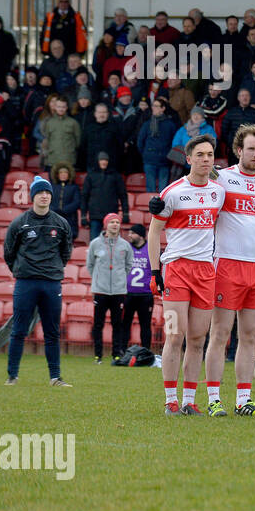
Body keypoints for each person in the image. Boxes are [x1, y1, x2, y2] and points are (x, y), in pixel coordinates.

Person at [198, 126, 255, 416]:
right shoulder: (222, 178)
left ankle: (244, 400)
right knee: (219, 334)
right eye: (251, 149)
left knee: (250, 335)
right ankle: (214, 398)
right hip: (227, 264)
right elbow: (194, 177)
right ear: (238, 150)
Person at [148, 142, 225, 396]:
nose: (206, 159)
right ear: (189, 159)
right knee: (174, 335)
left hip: (205, 272)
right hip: (177, 270)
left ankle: (189, 401)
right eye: (200, 155)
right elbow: (154, 231)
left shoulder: (219, 191)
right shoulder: (172, 192)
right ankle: (170, 400)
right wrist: (155, 271)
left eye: (210, 155)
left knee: (197, 339)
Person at [3, 177, 72, 386]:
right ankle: (12, 376)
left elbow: (66, 252)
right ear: (33, 196)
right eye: (41, 193)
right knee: (19, 330)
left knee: (52, 332)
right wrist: (22, 270)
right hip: (26, 283)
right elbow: (9, 252)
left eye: (48, 193)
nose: (44, 196)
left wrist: (52, 268)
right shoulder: (19, 222)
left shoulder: (61, 223)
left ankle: (55, 378)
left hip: (51, 283)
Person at [86, 212, 133, 362]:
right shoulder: (95, 243)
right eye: (112, 222)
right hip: (100, 291)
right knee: (98, 324)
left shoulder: (125, 245)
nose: (114, 225)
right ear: (106, 224)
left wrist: (119, 279)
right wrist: (99, 279)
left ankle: (116, 354)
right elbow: (90, 265)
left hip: (118, 291)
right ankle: (98, 355)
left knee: (117, 324)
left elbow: (128, 266)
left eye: (117, 222)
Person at [80, 152, 128, 241]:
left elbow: (123, 195)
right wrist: (83, 215)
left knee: (112, 242)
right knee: (95, 243)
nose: (104, 162)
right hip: (95, 215)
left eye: (106, 160)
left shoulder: (115, 176)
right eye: (102, 160)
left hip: (111, 215)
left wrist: (126, 213)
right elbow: (84, 196)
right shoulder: (90, 176)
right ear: (97, 161)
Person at [122, 224, 154, 350]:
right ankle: (122, 351)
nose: (129, 235)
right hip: (128, 294)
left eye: (132, 233)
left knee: (145, 325)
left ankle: (146, 351)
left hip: (145, 294)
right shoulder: (126, 248)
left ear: (140, 235)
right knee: (125, 324)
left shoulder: (150, 248)